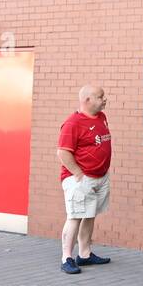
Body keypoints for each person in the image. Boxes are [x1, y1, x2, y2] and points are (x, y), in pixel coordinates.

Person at [56, 85, 113, 275]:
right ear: (87, 100)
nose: (104, 99)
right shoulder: (73, 123)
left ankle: (85, 254)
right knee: (75, 217)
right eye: (100, 96)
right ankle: (66, 258)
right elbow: (63, 152)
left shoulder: (101, 118)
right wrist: (78, 173)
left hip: (99, 177)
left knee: (89, 215)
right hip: (80, 179)